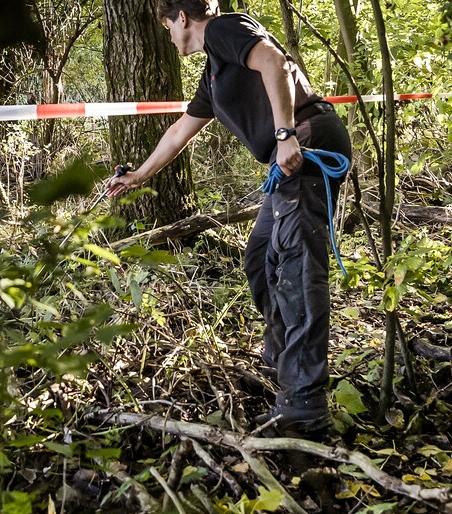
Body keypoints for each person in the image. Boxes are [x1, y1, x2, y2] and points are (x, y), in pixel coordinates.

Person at [106, 0, 352, 436]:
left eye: (167, 27)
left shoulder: (224, 30)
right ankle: (283, 363)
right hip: (288, 160)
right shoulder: (214, 71)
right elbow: (180, 130)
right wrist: (139, 175)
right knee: (259, 259)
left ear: (183, 18)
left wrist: (285, 134)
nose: (168, 36)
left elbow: (274, 62)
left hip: (307, 145)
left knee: (297, 270)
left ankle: (304, 405)